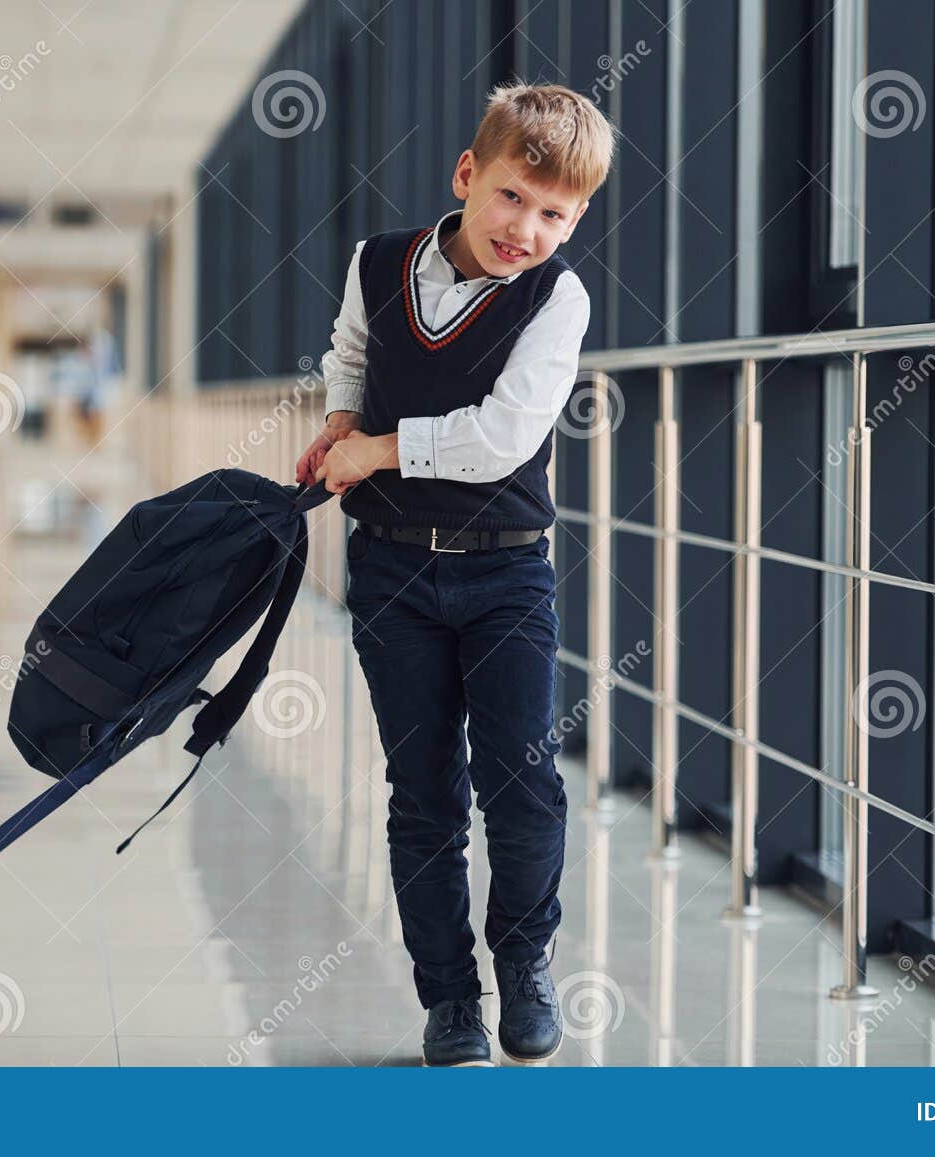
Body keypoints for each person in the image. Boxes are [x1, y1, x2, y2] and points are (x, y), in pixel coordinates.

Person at [293, 82, 614, 1066]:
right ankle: (449, 1000)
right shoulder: (375, 262)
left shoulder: (557, 299)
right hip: (390, 570)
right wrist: (341, 418)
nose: (526, 230)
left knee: (523, 784)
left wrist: (376, 451)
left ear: (575, 221)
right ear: (468, 176)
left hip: (505, 574)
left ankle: (523, 958)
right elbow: (352, 352)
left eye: (554, 214)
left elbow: (503, 438)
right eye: (513, 196)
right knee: (422, 792)